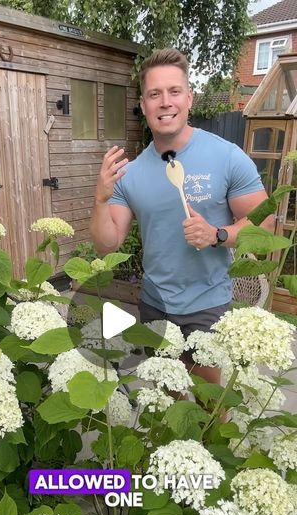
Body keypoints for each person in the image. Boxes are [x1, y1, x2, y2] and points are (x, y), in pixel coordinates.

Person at [90, 48, 274, 383]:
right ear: (144, 105)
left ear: (189, 98)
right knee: (167, 397)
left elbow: (266, 224)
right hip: (154, 305)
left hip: (207, 305)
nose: (165, 102)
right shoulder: (129, 174)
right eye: (154, 94)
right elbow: (107, 245)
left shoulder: (227, 156)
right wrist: (100, 199)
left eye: (174, 91)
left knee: (209, 406)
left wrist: (218, 235)